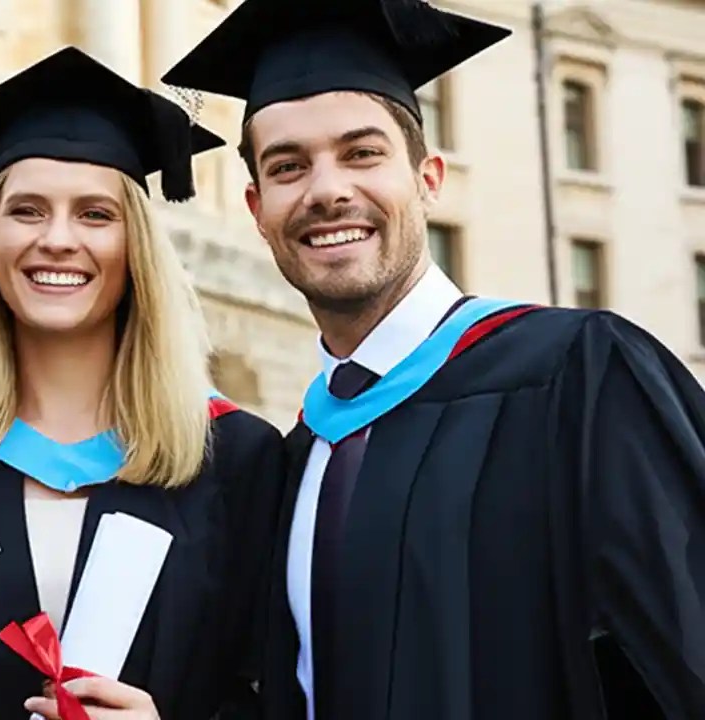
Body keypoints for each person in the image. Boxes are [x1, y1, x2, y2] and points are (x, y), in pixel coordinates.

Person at [161, 0, 705, 718]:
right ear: (258, 209)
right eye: (290, 166)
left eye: (362, 153)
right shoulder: (294, 462)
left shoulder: (581, 379)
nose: (328, 191)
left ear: (428, 178)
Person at [0, 46, 285, 720]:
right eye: (26, 211)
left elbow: (281, 694)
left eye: (96, 215)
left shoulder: (235, 462)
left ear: (136, 247)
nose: (57, 239)